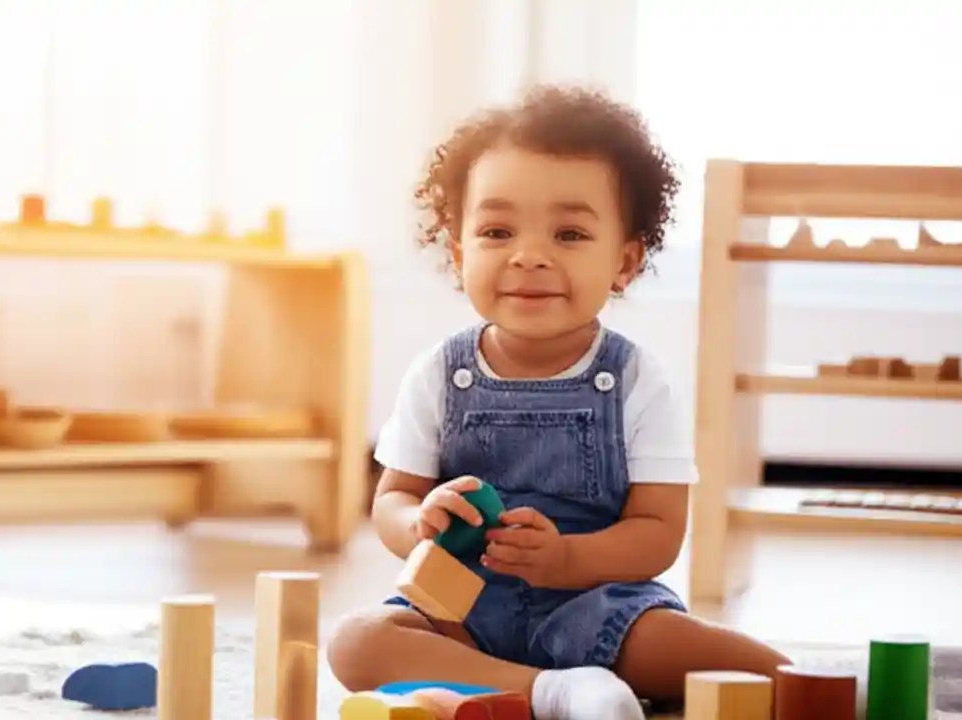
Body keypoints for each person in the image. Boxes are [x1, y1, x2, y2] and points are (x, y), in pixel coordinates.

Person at [326, 85, 790, 720]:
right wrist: (419, 523)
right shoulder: (439, 372)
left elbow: (659, 532)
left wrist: (567, 558)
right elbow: (391, 501)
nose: (529, 256)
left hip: (598, 609)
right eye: (496, 231)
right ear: (460, 255)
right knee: (357, 643)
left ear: (624, 263)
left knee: (760, 672)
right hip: (458, 614)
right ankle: (551, 691)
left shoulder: (634, 379)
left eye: (569, 233)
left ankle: (560, 682)